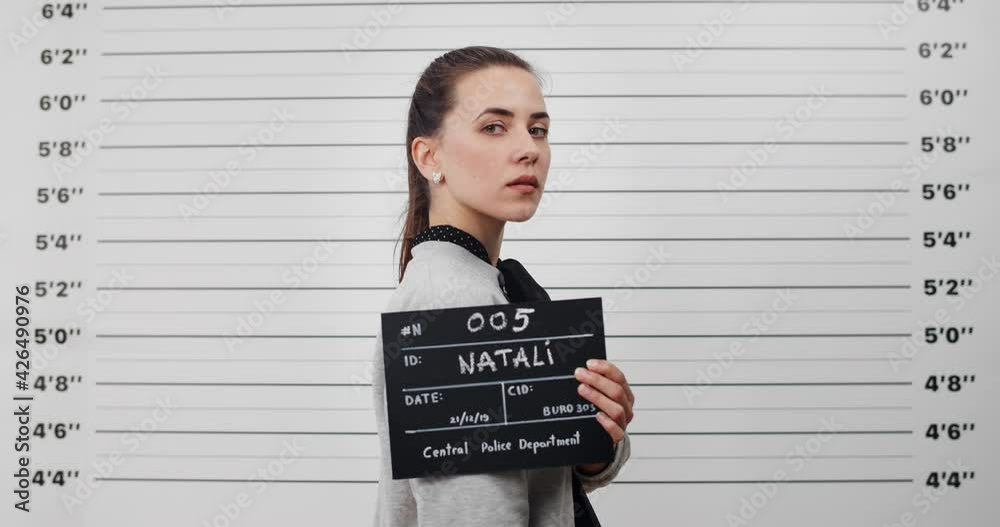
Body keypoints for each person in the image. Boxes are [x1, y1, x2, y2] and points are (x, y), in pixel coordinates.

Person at [372, 45, 635, 527]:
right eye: (494, 127)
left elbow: (539, 478)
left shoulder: (483, 282)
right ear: (429, 156)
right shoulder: (454, 300)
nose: (528, 148)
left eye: (538, 129)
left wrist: (595, 435)